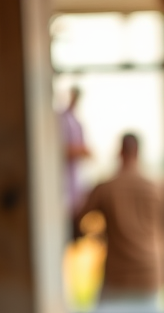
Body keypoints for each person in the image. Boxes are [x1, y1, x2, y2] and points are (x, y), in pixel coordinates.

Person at [78, 133, 164, 307]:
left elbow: (77, 222)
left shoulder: (105, 188)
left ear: (120, 153)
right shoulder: (156, 189)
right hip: (150, 274)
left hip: (117, 276)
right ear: (138, 153)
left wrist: (96, 235)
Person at [59, 86, 91, 240]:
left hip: (75, 182)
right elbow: (59, 150)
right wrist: (79, 151)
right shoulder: (61, 119)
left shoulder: (76, 120)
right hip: (64, 184)